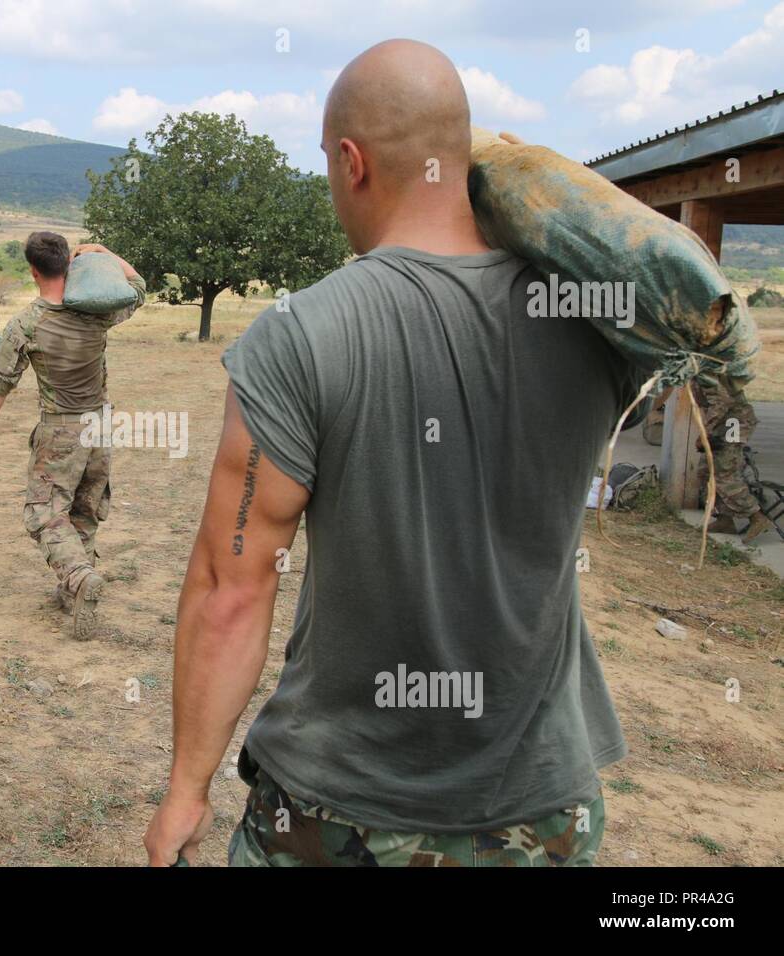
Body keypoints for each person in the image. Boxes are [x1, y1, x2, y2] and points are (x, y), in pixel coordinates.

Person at [143, 39, 642, 867]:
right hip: (543, 813)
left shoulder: (297, 335)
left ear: (351, 161)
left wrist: (184, 793)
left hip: (339, 817)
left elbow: (233, 588)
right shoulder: (594, 322)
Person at [0, 234, 145, 640]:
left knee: (44, 512)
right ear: (67, 265)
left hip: (61, 428)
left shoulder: (27, 324)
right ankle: (72, 592)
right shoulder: (96, 313)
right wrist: (104, 253)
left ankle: (78, 575)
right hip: (100, 425)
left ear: (34, 271)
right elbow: (137, 288)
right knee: (84, 508)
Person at [701, 376, 771, 542]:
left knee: (725, 471)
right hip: (723, 423)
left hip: (735, 421)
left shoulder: (705, 371)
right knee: (705, 470)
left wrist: (706, 432)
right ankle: (724, 519)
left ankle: (756, 516)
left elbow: (722, 402)